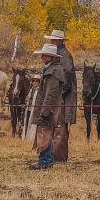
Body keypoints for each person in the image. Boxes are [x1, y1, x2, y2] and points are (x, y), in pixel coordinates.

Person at [30, 42, 64, 170]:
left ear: (51, 57)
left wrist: (45, 111)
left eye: (45, 55)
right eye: (42, 55)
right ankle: (46, 161)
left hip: (48, 110)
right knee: (45, 134)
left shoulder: (53, 72)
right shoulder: (51, 70)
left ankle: (45, 162)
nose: (42, 57)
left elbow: (51, 94)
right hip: (47, 108)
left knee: (44, 134)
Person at [44, 29, 76, 162]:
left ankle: (59, 157)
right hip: (60, 97)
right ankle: (53, 155)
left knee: (60, 128)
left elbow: (67, 74)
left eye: (53, 40)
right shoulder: (59, 53)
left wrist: (61, 92)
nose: (51, 41)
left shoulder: (64, 54)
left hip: (63, 98)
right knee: (55, 126)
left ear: (59, 41)